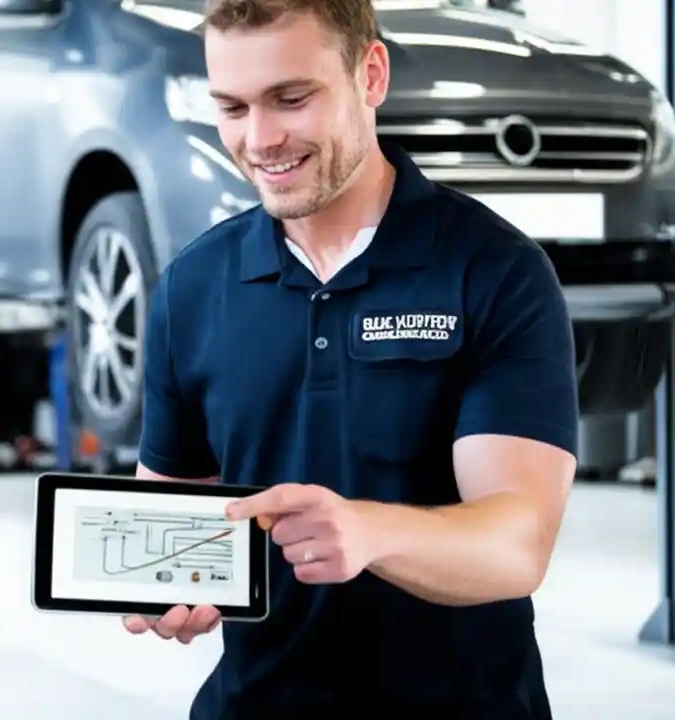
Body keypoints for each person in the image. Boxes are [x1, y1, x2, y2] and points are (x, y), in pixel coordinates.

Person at [123, 1, 578, 717]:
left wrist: (370, 532)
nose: (261, 139)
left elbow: (518, 545)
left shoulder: (495, 272)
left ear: (370, 75)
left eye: (291, 99)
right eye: (232, 108)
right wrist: (168, 580)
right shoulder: (194, 286)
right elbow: (171, 513)